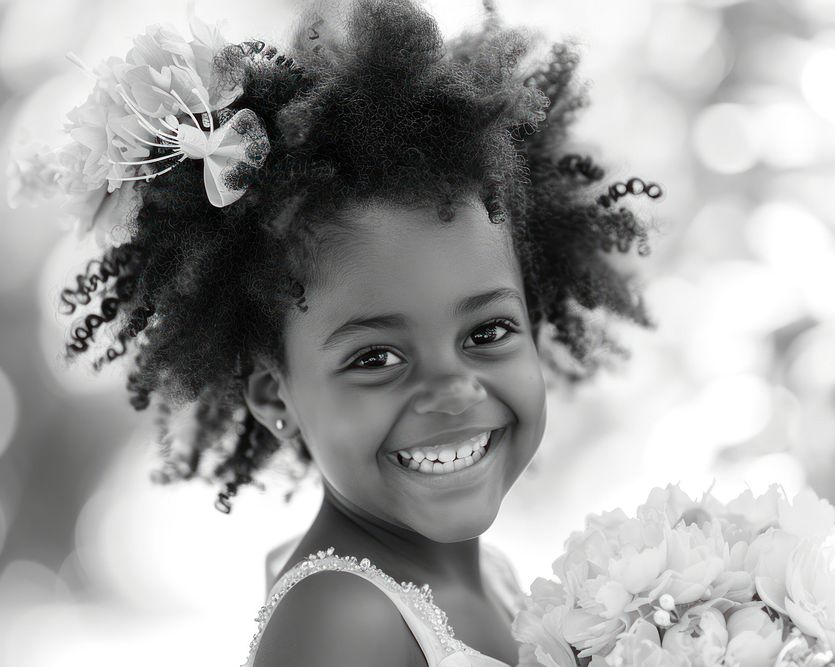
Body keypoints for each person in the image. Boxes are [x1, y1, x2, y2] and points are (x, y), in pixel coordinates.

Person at [9, 0, 661, 664]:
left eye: (488, 330)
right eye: (377, 355)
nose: (453, 389)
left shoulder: (494, 579)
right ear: (272, 395)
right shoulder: (342, 624)